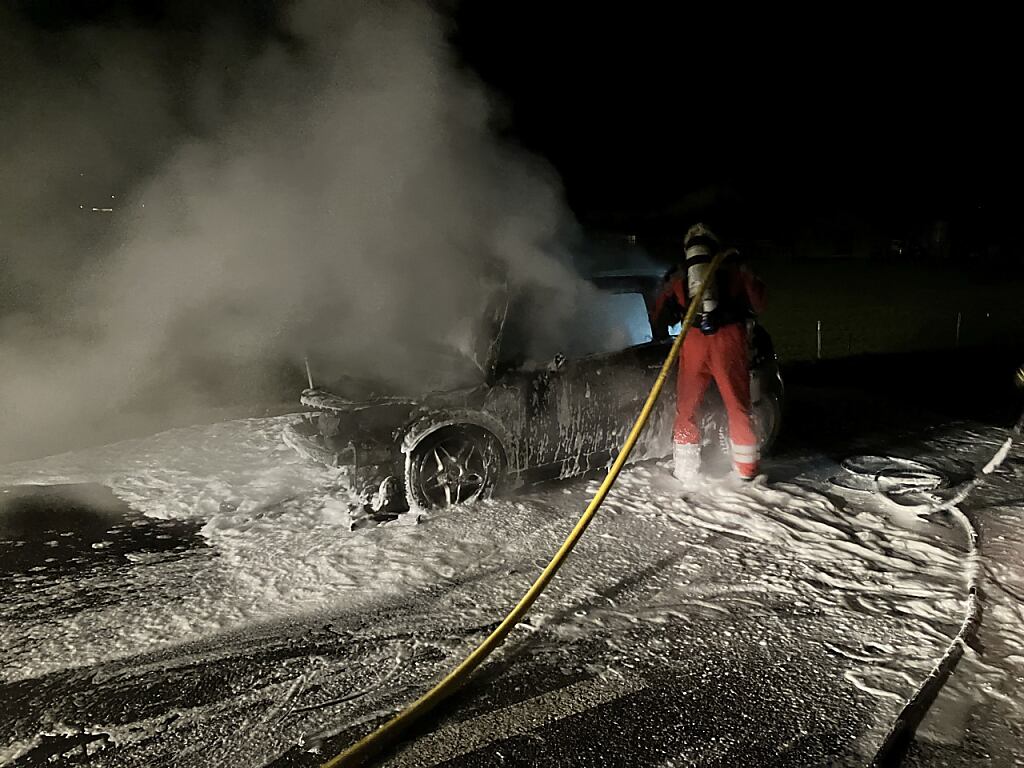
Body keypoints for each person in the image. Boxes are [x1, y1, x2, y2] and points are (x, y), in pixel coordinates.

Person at [651, 223, 767, 483]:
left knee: (687, 407)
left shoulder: (681, 275)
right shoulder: (735, 269)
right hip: (729, 340)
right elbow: (759, 303)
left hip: (693, 341)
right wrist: (746, 272)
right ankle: (747, 471)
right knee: (738, 406)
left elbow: (660, 317)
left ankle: (685, 471)